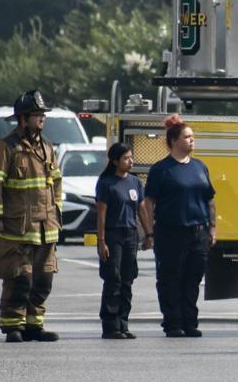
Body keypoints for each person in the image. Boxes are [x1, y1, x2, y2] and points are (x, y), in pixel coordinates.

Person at [0, 90, 62, 342]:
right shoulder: (6, 148)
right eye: (37, 114)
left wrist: (56, 213)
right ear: (22, 118)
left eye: (43, 114)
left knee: (43, 281)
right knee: (19, 280)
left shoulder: (48, 148)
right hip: (17, 228)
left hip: (45, 228)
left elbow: (56, 183)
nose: (42, 119)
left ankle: (34, 325)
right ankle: (12, 326)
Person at [144, 114, 216, 338]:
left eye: (193, 137)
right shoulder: (161, 169)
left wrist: (212, 228)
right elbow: (148, 203)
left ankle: (190, 322)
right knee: (170, 279)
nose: (192, 141)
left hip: (198, 232)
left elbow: (210, 199)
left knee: (192, 279)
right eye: (187, 137)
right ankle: (173, 323)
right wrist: (149, 232)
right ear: (174, 141)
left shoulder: (199, 167)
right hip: (170, 232)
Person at [96, 143, 153, 340]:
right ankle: (110, 325)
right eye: (126, 158)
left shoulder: (135, 182)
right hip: (113, 234)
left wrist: (148, 234)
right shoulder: (106, 183)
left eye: (131, 157)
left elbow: (142, 210)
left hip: (130, 234)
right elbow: (101, 213)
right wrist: (101, 241)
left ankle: (123, 322)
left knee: (128, 279)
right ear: (115, 161)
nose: (131, 161)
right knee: (114, 278)